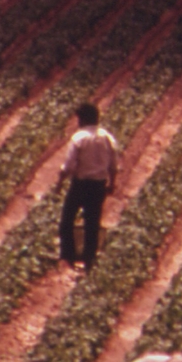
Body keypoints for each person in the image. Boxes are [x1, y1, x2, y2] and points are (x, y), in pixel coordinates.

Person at [54, 103, 119, 270]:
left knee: (67, 220)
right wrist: (112, 183)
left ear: (82, 119)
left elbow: (69, 165)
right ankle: (89, 258)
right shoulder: (107, 137)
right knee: (92, 222)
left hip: (80, 184)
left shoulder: (79, 138)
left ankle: (68, 256)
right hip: (98, 185)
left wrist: (60, 183)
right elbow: (113, 165)